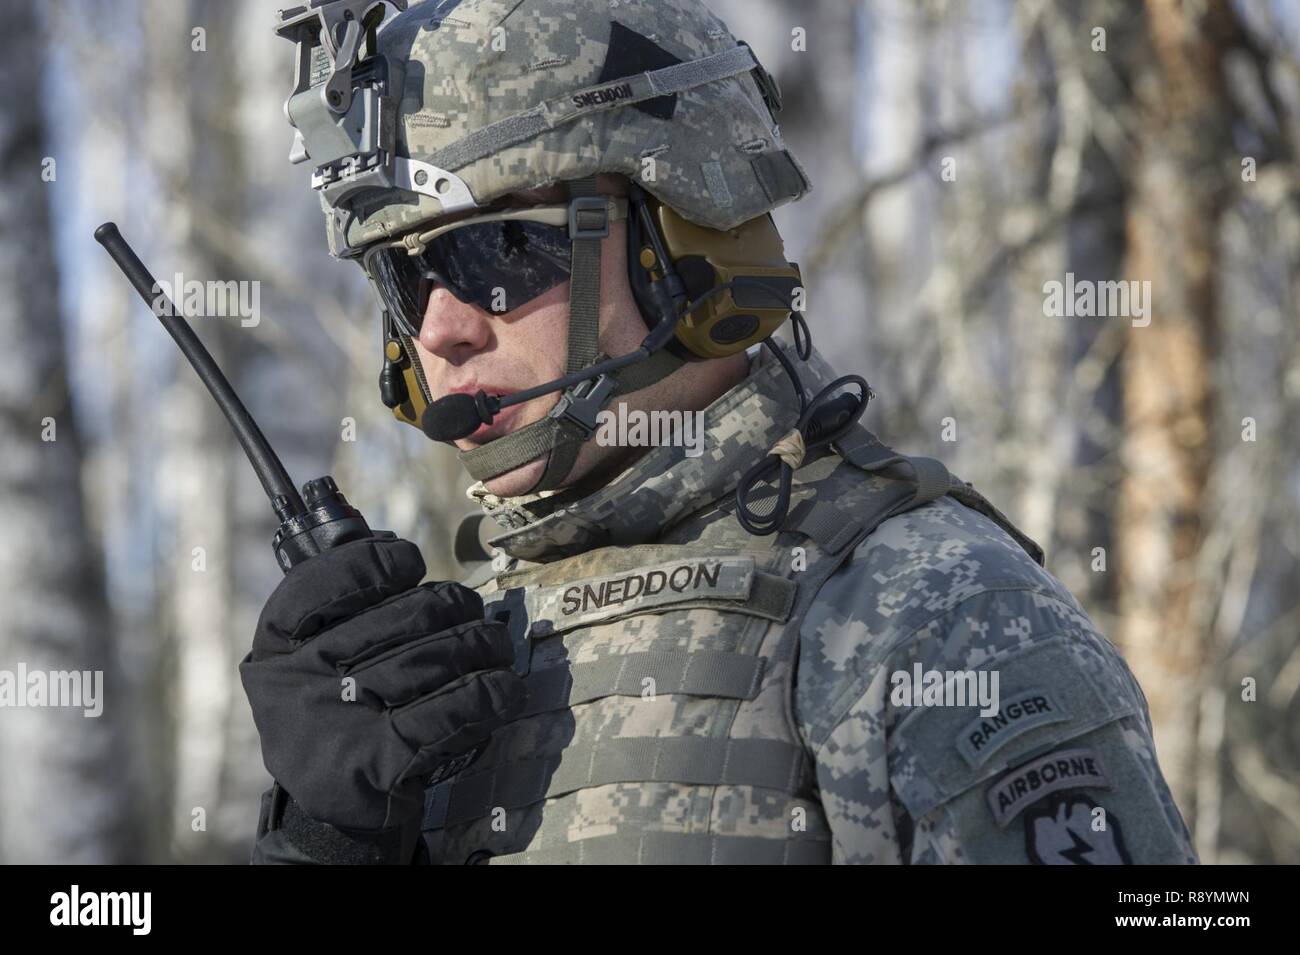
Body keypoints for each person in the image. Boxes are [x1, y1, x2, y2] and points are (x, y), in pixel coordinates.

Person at [241, 0, 1198, 864]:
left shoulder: (932, 611)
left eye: (497, 251)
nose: (442, 327)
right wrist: (327, 839)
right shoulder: (458, 661)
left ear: (687, 241)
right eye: (407, 280)